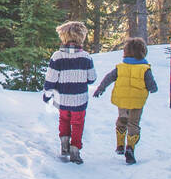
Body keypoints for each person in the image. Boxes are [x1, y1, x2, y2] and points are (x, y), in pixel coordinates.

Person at [93, 36, 158, 165]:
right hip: (137, 102)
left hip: (122, 100)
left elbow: (108, 78)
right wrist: (153, 89)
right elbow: (151, 85)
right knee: (133, 124)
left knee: (122, 119)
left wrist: (101, 88)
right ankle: (130, 148)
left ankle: (120, 145)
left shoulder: (120, 67)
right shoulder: (145, 69)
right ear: (143, 52)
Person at [42, 21, 96, 164]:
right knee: (78, 123)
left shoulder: (57, 56)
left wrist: (47, 94)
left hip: (62, 99)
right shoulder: (86, 57)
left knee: (64, 120)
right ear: (81, 37)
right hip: (79, 99)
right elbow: (92, 79)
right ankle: (75, 150)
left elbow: (51, 78)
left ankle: (64, 145)